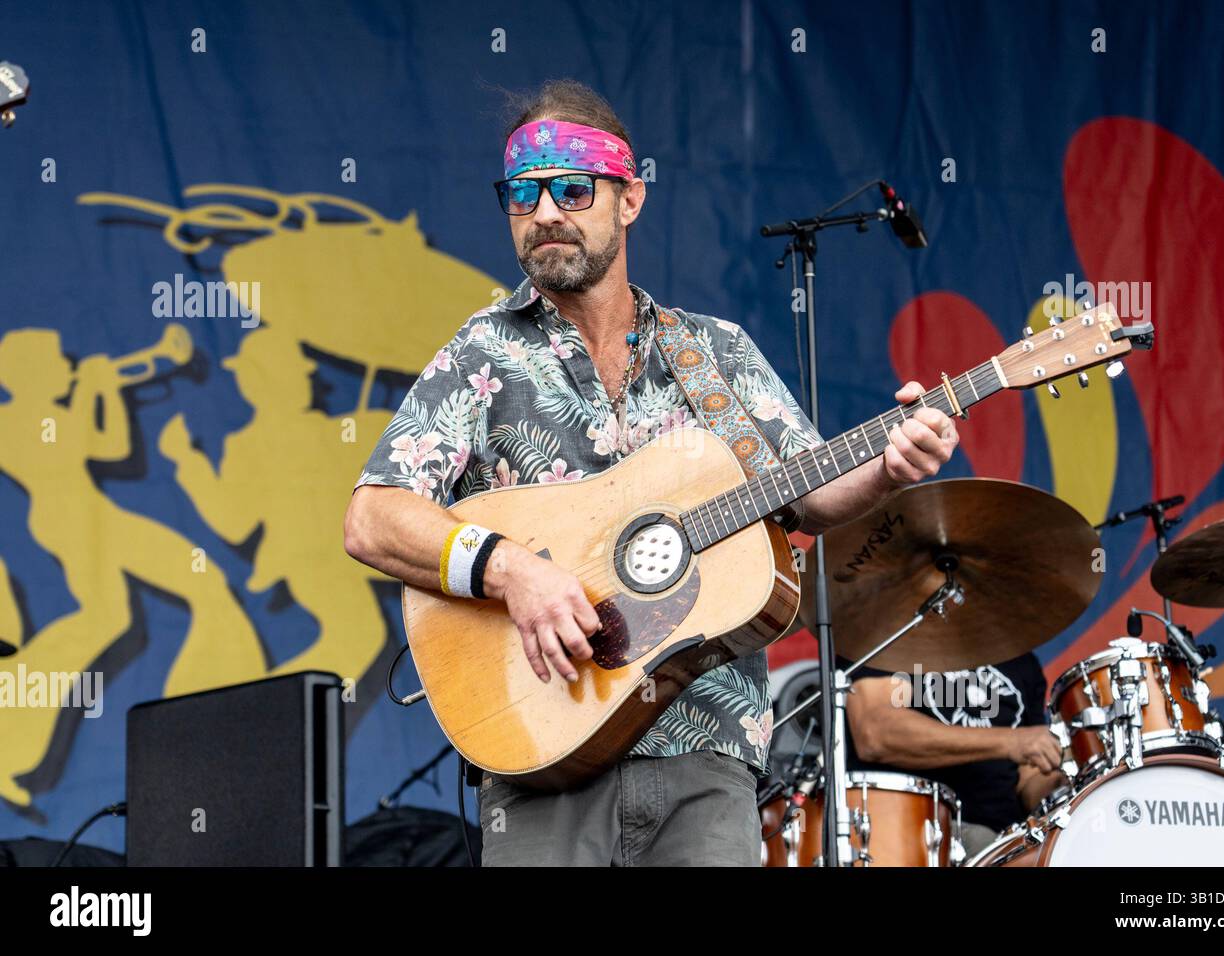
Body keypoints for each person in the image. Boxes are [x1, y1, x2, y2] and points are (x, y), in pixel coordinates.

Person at [343, 79, 960, 866]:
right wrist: (512, 575)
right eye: (522, 196)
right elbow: (372, 517)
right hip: (541, 740)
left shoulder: (715, 351)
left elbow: (808, 491)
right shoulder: (480, 354)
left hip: (704, 744)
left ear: (629, 198)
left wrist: (889, 469)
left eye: (572, 188)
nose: (546, 214)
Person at [837, 651, 1068, 855]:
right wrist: (1011, 742)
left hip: (1005, 842)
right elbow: (875, 732)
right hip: (905, 829)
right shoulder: (889, 638)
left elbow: (1027, 778)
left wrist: (1064, 782)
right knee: (981, 840)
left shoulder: (1020, 660)